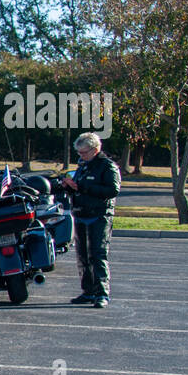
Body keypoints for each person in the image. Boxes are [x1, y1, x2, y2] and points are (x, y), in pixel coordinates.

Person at [54, 132, 120, 308]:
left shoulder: (107, 166)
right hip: (81, 214)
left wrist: (84, 187)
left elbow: (112, 190)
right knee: (82, 256)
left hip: (99, 215)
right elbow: (79, 187)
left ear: (95, 149)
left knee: (97, 254)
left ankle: (102, 294)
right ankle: (88, 291)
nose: (81, 156)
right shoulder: (83, 165)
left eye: (84, 152)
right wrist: (69, 187)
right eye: (79, 153)